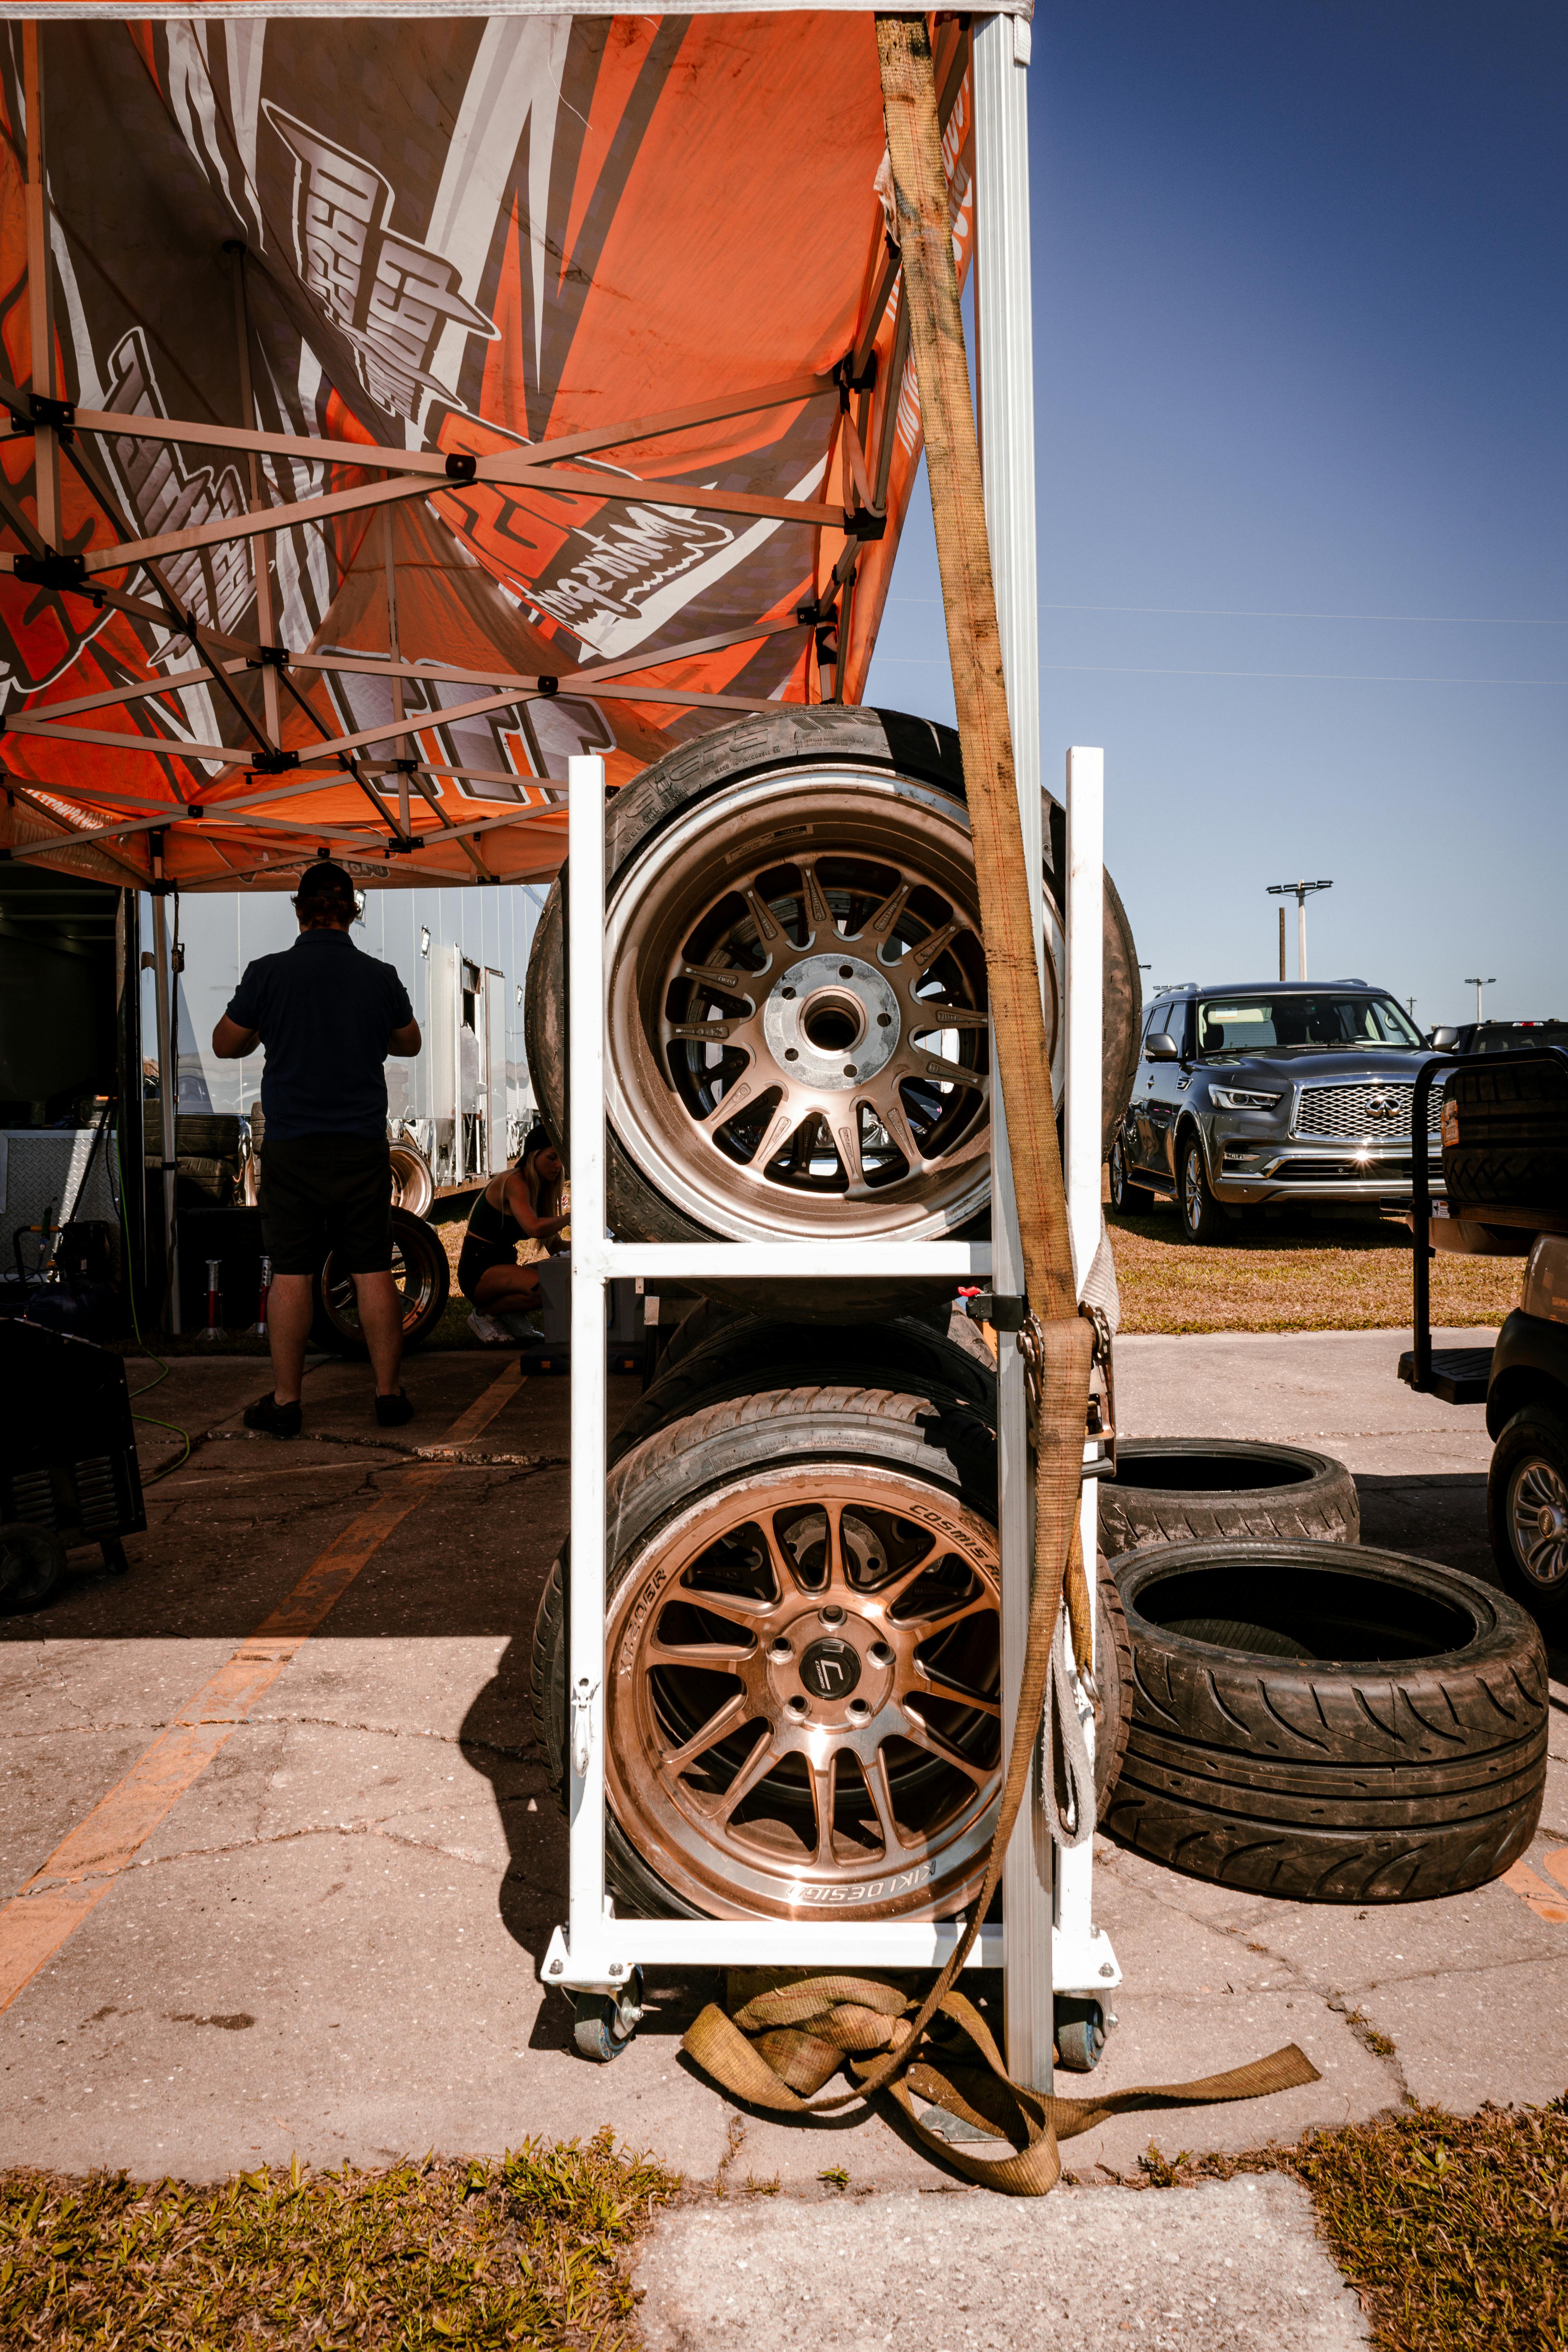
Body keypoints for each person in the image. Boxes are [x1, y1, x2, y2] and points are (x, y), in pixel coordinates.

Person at [211, 859, 421, 1435]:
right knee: (374, 1268)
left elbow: (225, 1044)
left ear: (300, 910)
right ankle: (388, 1395)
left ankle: (286, 1402)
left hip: (294, 1147)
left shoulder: (268, 973)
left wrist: (265, 1026)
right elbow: (410, 1044)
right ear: (352, 913)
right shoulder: (379, 976)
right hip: (358, 1144)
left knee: (294, 1271)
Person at [458, 1126, 567, 1337]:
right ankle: (484, 1315)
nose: (558, 1165)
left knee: (564, 1274)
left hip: (503, 1266)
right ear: (533, 1156)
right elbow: (534, 1228)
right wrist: (570, 1218)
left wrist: (601, 1244)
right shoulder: (515, 1182)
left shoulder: (542, 1187)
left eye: (561, 1158)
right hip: (479, 1270)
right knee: (548, 1288)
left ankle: (509, 1314)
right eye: (552, 1157)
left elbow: (556, 1247)